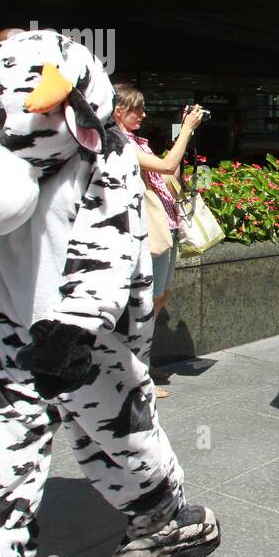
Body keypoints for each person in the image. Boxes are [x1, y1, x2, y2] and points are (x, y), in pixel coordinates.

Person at [112, 84, 206, 396]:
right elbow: (166, 166)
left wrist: (185, 134)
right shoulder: (118, 143)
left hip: (164, 229)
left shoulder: (138, 142)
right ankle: (136, 377)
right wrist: (187, 130)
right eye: (135, 109)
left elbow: (168, 174)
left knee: (158, 298)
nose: (142, 114)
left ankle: (143, 366)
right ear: (117, 111)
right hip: (145, 233)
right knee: (143, 305)